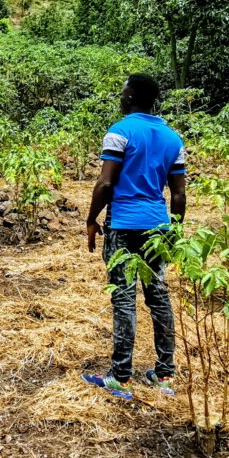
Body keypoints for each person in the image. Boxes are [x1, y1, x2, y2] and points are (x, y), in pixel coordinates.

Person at [81, 73, 187, 401]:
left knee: (124, 298)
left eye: (123, 91)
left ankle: (121, 377)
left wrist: (91, 219)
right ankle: (164, 375)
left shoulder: (120, 132)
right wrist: (175, 229)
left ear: (130, 98)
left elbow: (105, 184)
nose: (120, 96)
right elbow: (179, 195)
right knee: (158, 296)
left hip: (123, 226)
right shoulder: (173, 139)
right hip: (158, 227)